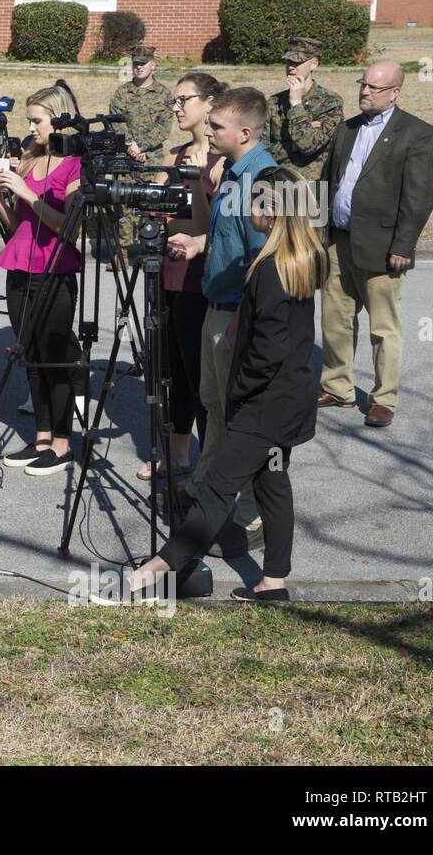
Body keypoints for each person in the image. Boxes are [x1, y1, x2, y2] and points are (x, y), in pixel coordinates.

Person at [108, 167, 327, 603]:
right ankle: (273, 583)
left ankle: (148, 577)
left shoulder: (268, 269)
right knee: (273, 483)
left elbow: (266, 351)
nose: (247, 209)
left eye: (253, 201)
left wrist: (237, 395)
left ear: (270, 208)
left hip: (262, 407)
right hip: (291, 402)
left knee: (213, 493)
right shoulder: (306, 258)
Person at [167, 87, 277, 545]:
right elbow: (229, 238)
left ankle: (250, 513)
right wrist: (198, 245)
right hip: (216, 308)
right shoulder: (231, 170)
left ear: (245, 132)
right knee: (213, 409)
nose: (208, 131)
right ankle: (206, 489)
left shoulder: (266, 180)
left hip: (237, 316)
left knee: (242, 419)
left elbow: (266, 262)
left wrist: (242, 321)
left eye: (217, 126)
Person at [318, 59, 433, 429]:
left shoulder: (417, 133)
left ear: (395, 93)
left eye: (374, 87)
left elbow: (419, 197)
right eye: (363, 84)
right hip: (339, 242)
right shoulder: (347, 129)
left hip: (384, 246)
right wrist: (318, 232)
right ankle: (338, 386)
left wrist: (403, 245)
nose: (364, 91)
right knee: (335, 320)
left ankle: (384, 398)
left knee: (383, 328)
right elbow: (328, 181)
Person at [0, 84, 85, 477]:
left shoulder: (75, 166)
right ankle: (42, 437)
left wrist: (27, 193)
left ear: (58, 120)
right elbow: (17, 230)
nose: (31, 128)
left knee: (55, 357)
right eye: (29, 120)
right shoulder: (29, 160)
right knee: (29, 353)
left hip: (56, 269)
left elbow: (70, 227)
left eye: (37, 121)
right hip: (21, 268)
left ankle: (62, 444)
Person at [136, 72, 227, 484]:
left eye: (183, 99)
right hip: (166, 276)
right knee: (167, 369)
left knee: (200, 372)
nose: (176, 107)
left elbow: (224, 225)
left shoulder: (223, 163)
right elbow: (153, 212)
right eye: (173, 100)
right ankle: (176, 454)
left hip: (202, 281)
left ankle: (211, 461)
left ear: (209, 104)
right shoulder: (173, 156)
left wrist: (195, 182)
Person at [264, 37, 344, 183]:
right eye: (289, 61)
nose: (291, 67)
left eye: (298, 62)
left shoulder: (330, 102)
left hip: (313, 188)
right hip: (277, 183)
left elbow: (308, 145)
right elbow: (262, 152)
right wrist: (295, 141)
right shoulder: (274, 102)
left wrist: (296, 103)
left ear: (314, 64)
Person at [109, 45, 174, 165]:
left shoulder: (164, 94)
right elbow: (115, 121)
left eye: (143, 63)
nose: (139, 67)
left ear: (153, 64)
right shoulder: (122, 92)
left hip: (152, 160)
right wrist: (130, 144)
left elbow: (164, 128)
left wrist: (140, 146)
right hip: (124, 159)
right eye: (135, 63)